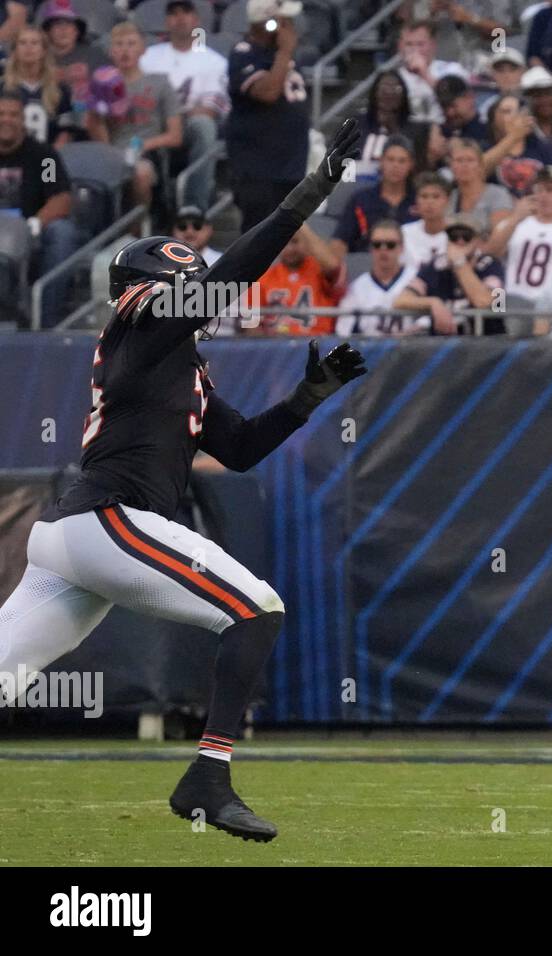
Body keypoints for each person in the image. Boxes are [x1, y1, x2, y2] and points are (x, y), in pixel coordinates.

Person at [0, 120, 364, 842]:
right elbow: (228, 279)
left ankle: (207, 777)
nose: (197, 293)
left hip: (76, 538)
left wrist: (306, 398)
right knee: (257, 609)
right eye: (185, 283)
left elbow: (239, 449)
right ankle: (207, 778)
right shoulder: (138, 325)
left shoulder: (181, 368)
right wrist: (310, 191)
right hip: (109, 522)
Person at [226, 0, 311, 229]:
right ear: (268, 24)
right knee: (259, 241)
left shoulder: (283, 55)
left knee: (289, 238)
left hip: (291, 164)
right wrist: (284, 51)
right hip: (259, 170)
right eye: (284, 21)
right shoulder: (243, 54)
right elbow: (268, 92)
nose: (290, 27)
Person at [87, 22, 183, 218]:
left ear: (142, 49)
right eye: (119, 44)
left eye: (131, 44)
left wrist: (142, 144)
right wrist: (95, 113)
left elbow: (175, 136)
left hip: (148, 154)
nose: (125, 50)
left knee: (141, 173)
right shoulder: (100, 83)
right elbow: (95, 131)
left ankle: (138, 230)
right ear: (111, 51)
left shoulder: (160, 83)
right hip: (111, 152)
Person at [140, 0, 229, 210]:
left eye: (186, 13)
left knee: (203, 125)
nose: (180, 18)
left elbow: (210, 109)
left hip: (188, 127)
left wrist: (174, 118)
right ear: (166, 21)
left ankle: (193, 207)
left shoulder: (213, 61)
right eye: (174, 14)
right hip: (150, 124)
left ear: (196, 20)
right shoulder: (148, 57)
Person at [0, 90, 78, 327]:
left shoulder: (43, 157)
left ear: (23, 119)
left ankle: (47, 321)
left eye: (13, 114)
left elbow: (60, 198)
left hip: (29, 231)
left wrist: (35, 223)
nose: (6, 119)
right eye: (1, 114)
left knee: (62, 232)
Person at [483, 165, 552, 304]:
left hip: (548, 306)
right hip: (512, 301)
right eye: (539, 190)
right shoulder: (515, 223)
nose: (543, 196)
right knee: (495, 299)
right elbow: (490, 253)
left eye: (550, 190)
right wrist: (515, 219)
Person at [394, 216, 506, 335]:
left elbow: (488, 302)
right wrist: (433, 302)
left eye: (466, 236)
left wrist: (460, 263)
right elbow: (400, 301)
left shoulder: (493, 265)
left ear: (477, 241)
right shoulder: (436, 265)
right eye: (454, 236)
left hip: (486, 343)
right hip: (444, 343)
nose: (460, 241)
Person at [249, 221, 345, 336]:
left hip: (317, 344)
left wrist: (299, 221)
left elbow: (333, 266)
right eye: (284, 243)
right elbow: (250, 326)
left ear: (306, 242)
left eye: (294, 241)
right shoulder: (261, 279)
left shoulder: (319, 269)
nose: (289, 249)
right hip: (277, 348)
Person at [330, 137, 418, 256]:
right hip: (364, 263)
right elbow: (340, 241)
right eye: (390, 160)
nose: (395, 166)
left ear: (411, 164)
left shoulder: (420, 200)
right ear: (381, 161)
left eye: (402, 161)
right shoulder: (361, 199)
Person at [337, 220, 424, 335]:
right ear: (370, 249)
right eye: (377, 245)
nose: (383, 250)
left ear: (402, 248)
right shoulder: (357, 288)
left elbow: (428, 322)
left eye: (390, 245)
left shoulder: (417, 278)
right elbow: (344, 333)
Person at [481, 93, 552, 197]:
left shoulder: (542, 147)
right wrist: (513, 137)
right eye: (506, 112)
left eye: (519, 112)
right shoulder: (485, 148)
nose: (514, 117)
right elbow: (476, 172)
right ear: (493, 119)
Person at [3, 25, 74, 148]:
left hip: (48, 159)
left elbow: (65, 131)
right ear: (14, 51)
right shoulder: (3, 87)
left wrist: (51, 156)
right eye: (22, 43)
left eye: (34, 43)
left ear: (44, 50)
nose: (28, 47)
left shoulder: (60, 89)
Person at [39, 0, 107, 124]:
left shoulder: (96, 55)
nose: (63, 29)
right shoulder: (38, 56)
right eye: (58, 24)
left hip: (89, 119)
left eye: (69, 24)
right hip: (46, 117)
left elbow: (109, 91)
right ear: (48, 31)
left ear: (77, 31)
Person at [352, 70, 422, 184]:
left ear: (404, 95)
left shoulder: (416, 129)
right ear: (374, 92)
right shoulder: (356, 124)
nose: (389, 93)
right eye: (384, 88)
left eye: (395, 88)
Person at [395, 18, 468, 125]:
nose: (415, 50)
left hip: (444, 129)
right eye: (409, 44)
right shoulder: (394, 77)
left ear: (433, 45)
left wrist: (425, 74)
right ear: (400, 46)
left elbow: (460, 106)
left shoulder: (453, 70)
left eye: (420, 44)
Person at [445, 136, 514, 235]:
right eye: (459, 160)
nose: (464, 165)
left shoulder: (497, 195)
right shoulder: (448, 198)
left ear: (480, 166)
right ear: (451, 166)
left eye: (470, 160)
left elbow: (501, 237)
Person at [401, 171, 452, 269]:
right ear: (416, 200)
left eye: (436, 197)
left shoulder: (460, 234)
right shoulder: (403, 233)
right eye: (424, 196)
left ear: (447, 200)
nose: (429, 202)